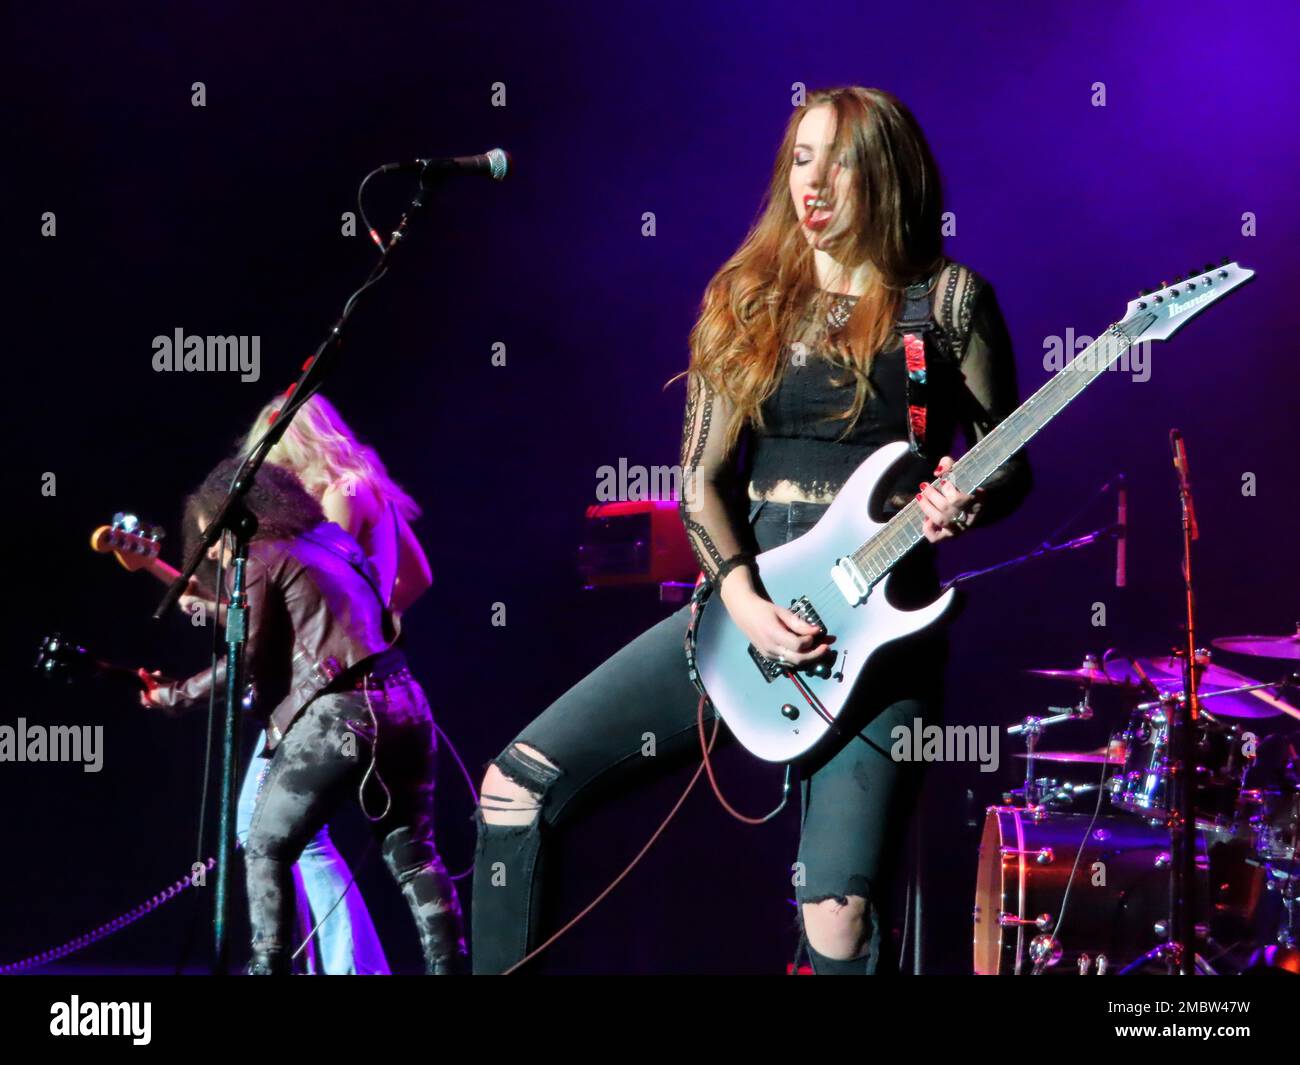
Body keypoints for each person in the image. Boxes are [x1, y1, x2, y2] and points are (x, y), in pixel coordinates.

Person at [471, 87, 1031, 974]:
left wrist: (968, 498)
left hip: (879, 641)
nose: (813, 182)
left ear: (887, 174)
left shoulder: (948, 302)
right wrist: (743, 595)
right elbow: (700, 481)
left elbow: (1007, 462)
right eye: (800, 158)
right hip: (743, 614)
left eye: (838, 160)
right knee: (515, 785)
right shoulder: (749, 296)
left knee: (836, 918)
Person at [140, 458, 465, 974]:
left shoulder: (264, 556)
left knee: (266, 844)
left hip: (340, 713)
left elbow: (245, 653)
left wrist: (176, 695)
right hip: (405, 703)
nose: (221, 555)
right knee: (415, 855)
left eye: (217, 539)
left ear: (240, 518)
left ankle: (268, 967)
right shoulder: (336, 542)